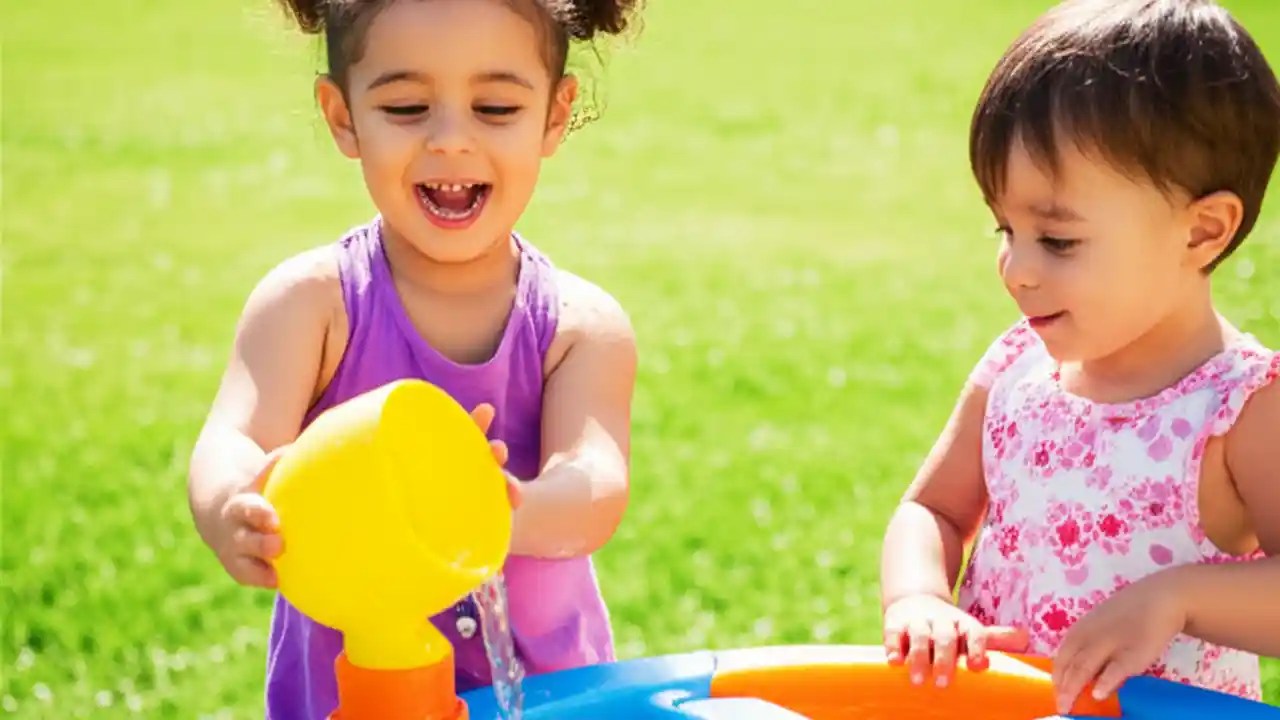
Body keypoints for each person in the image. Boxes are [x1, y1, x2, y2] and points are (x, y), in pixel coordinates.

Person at [186, 0, 643, 717]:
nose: (451, 141)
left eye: (495, 106)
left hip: (545, 694)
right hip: (356, 695)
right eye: (405, 107)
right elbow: (234, 437)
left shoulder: (578, 328)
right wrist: (233, 503)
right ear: (343, 118)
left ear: (555, 116)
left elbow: (596, 486)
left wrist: (504, 511)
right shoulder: (313, 306)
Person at [877, 0, 1280, 713]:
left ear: (1203, 232)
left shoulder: (1239, 407)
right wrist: (920, 597)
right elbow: (932, 509)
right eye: (1005, 228)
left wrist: (1180, 597)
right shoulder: (1015, 368)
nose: (1016, 270)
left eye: (1057, 241)